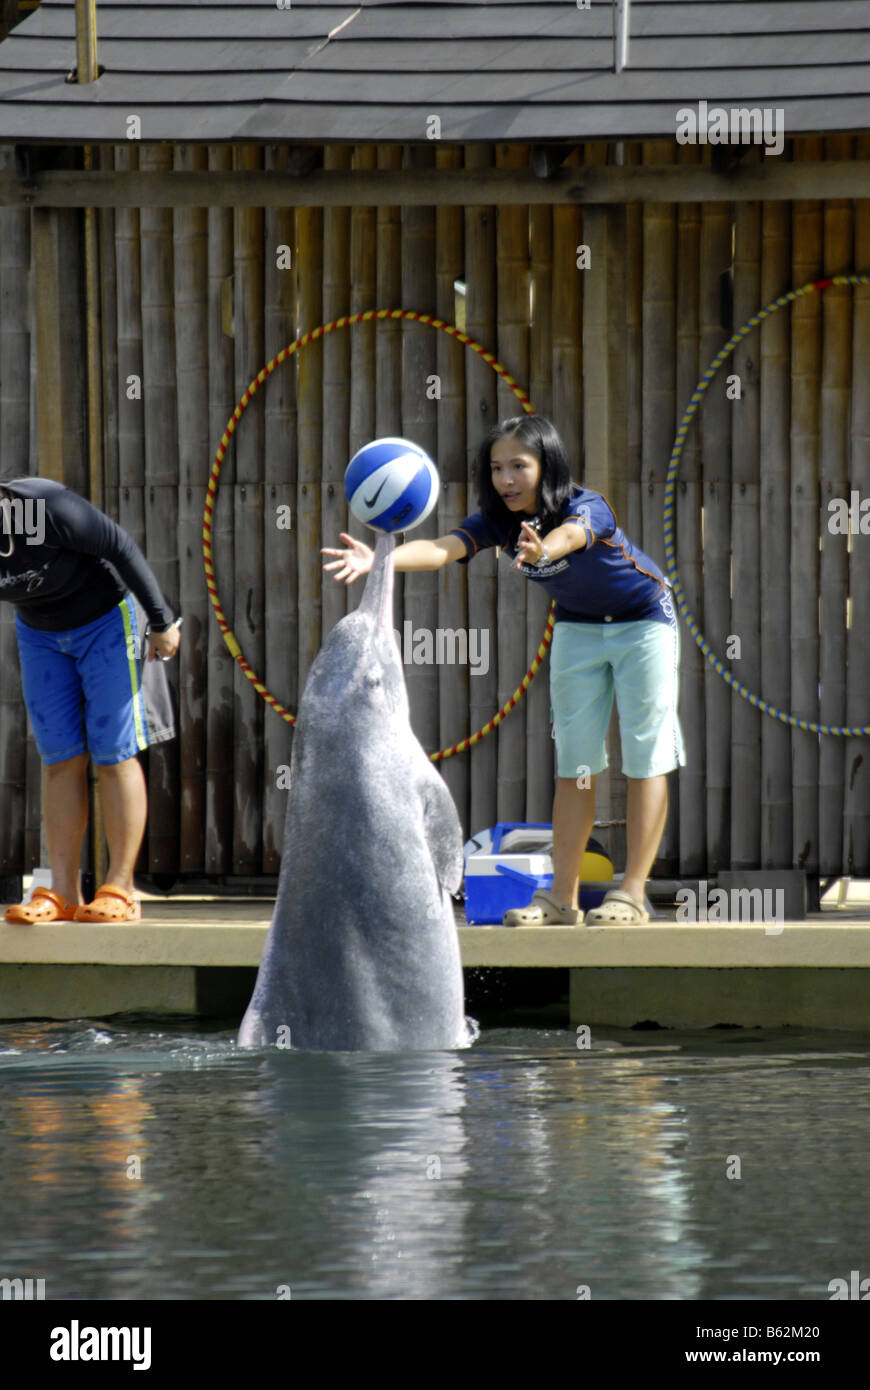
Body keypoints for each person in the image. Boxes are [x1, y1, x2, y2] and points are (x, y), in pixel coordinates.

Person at [322, 415, 684, 925]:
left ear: (547, 465)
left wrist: (545, 547)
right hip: (578, 628)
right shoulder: (496, 520)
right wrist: (380, 562)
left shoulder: (587, 504)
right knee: (576, 764)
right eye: (496, 468)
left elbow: (574, 537)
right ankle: (563, 897)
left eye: (519, 465)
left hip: (644, 620)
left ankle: (630, 892)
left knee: (646, 754)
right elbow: (441, 550)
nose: (506, 478)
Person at [0, 476, 180, 924]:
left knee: (112, 751)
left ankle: (121, 888)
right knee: (60, 756)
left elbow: (119, 547)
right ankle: (61, 892)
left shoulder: (40, 508)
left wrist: (161, 621)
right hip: (38, 632)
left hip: (104, 620)